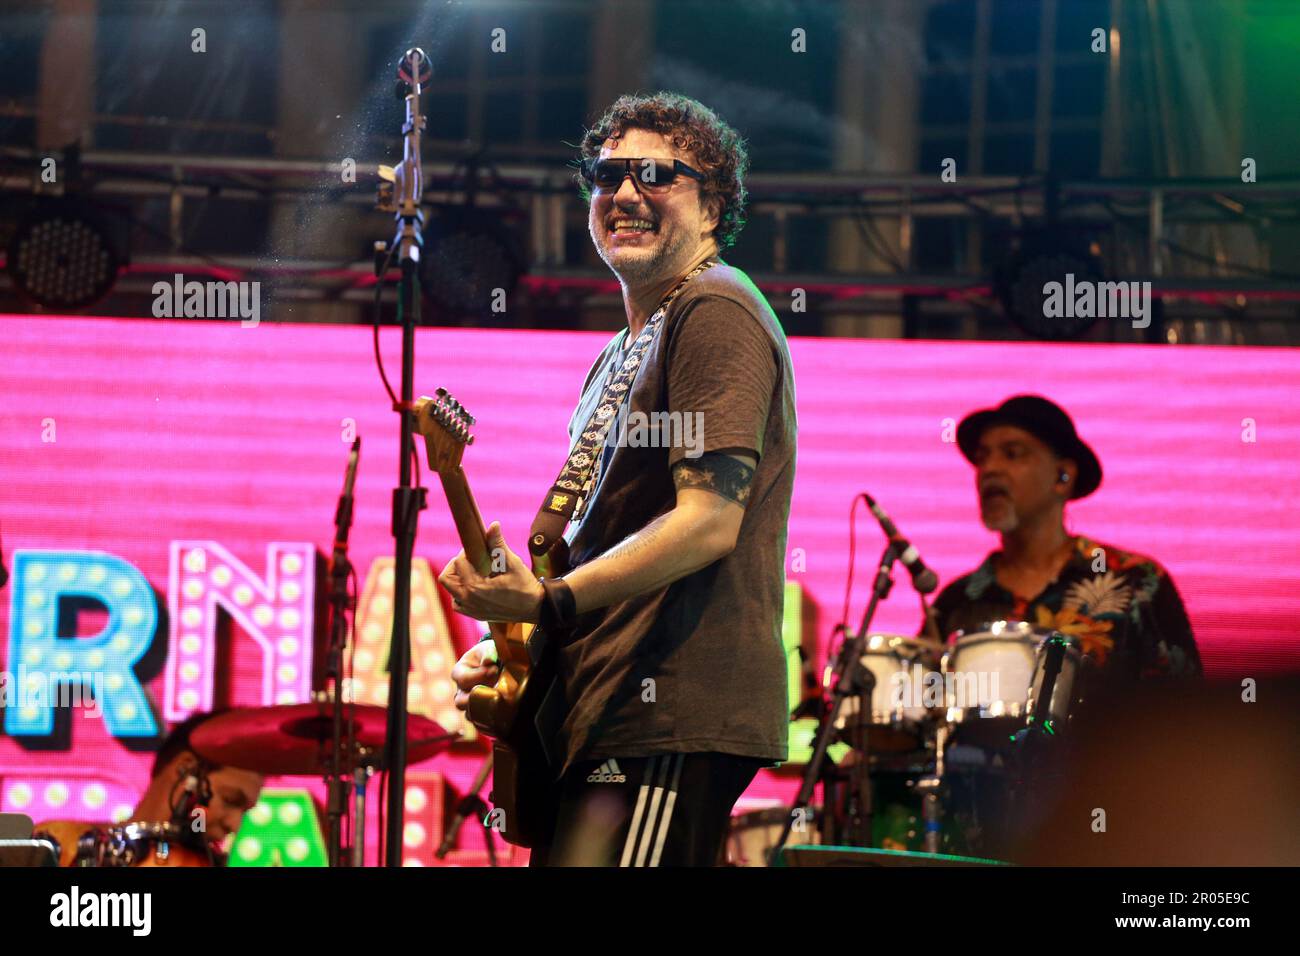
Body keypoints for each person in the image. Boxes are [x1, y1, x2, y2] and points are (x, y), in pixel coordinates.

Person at [440, 92, 797, 866]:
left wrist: (547, 598)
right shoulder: (620, 352)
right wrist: (521, 648)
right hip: (604, 712)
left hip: (666, 706)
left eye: (656, 175)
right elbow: (609, 541)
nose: (626, 193)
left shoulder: (715, 307)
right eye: (606, 175)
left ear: (713, 208)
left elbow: (710, 520)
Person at [928, 394, 1201, 682]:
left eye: (1012, 453)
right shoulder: (955, 602)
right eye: (983, 458)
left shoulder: (1134, 580)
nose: (990, 469)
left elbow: (1187, 708)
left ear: (1063, 476)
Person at [35, 711, 263, 866]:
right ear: (187, 769)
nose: (234, 825)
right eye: (230, 799)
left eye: (245, 812)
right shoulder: (60, 843)